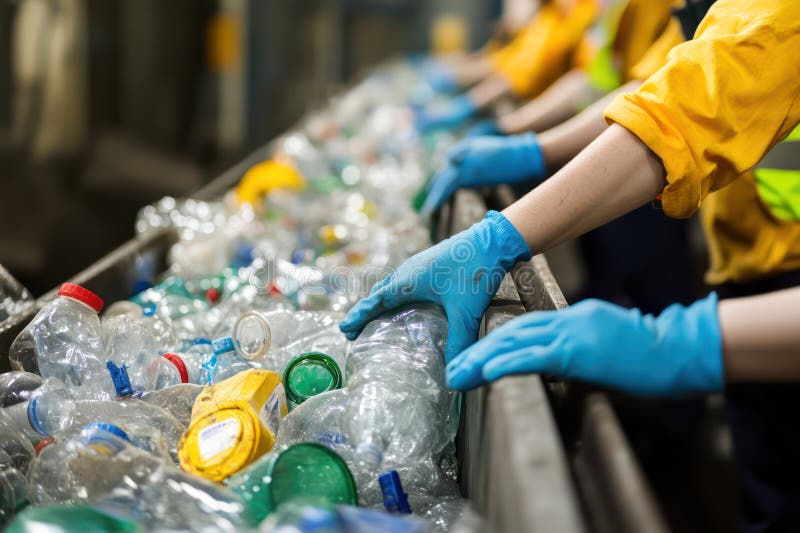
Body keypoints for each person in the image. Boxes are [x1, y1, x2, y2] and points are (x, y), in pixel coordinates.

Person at [341, 1, 800, 530]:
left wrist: (678, 343)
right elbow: (678, 92)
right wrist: (502, 224)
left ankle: (675, 442)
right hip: (750, 266)